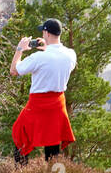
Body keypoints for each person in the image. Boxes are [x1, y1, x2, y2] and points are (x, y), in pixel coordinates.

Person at [9, 17, 77, 162]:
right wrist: (47, 48)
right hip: (58, 103)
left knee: (21, 135)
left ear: (46, 33)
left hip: (38, 104)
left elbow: (14, 70)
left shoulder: (38, 57)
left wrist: (20, 49)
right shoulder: (71, 54)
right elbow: (55, 60)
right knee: (53, 143)